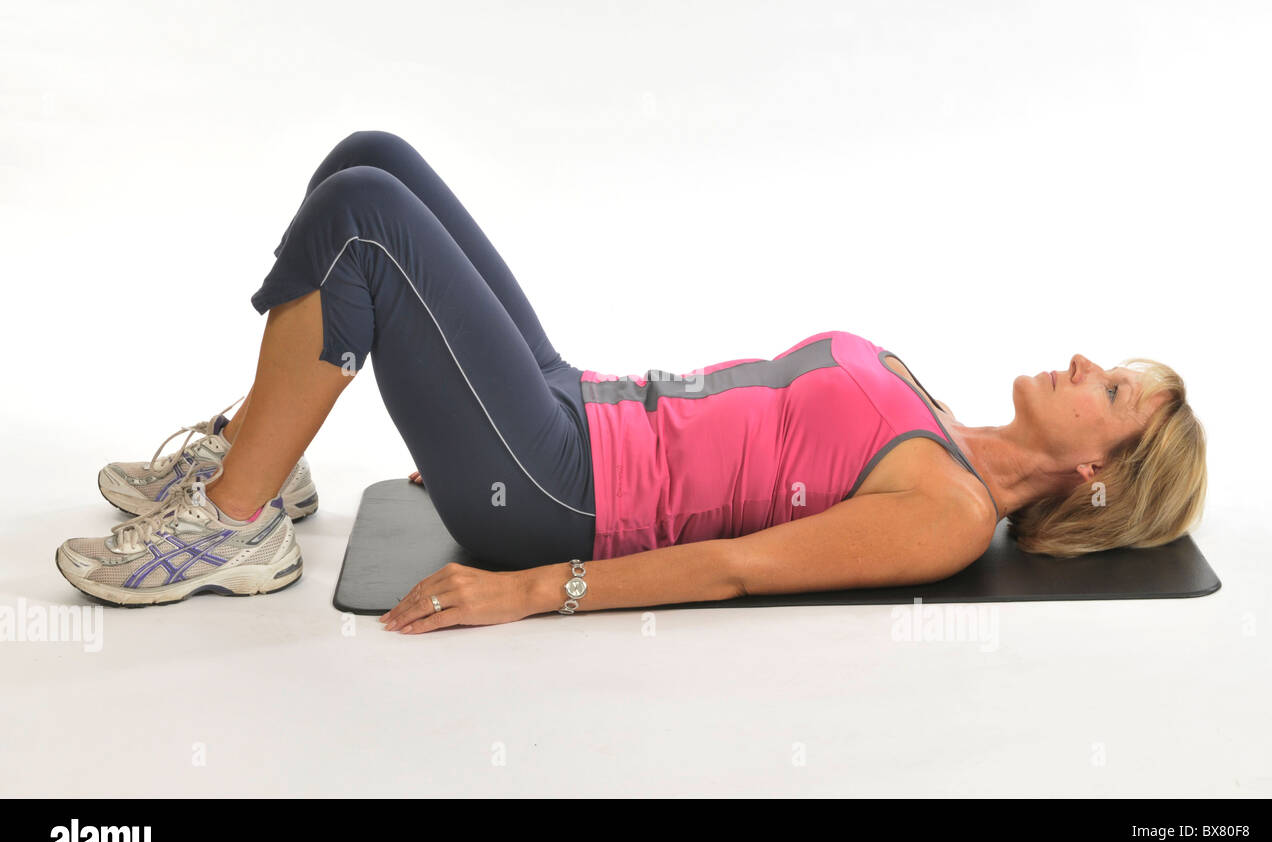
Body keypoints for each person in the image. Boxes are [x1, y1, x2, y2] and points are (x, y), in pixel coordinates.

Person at [55, 131, 1208, 631]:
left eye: (1110, 391)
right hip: (575, 403)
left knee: (364, 225)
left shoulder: (947, 514)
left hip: (563, 494)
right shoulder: (937, 414)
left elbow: (735, 568)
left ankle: (230, 527)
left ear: (1092, 473)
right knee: (373, 161)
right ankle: (269, 444)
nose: (1082, 365)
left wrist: (528, 591)